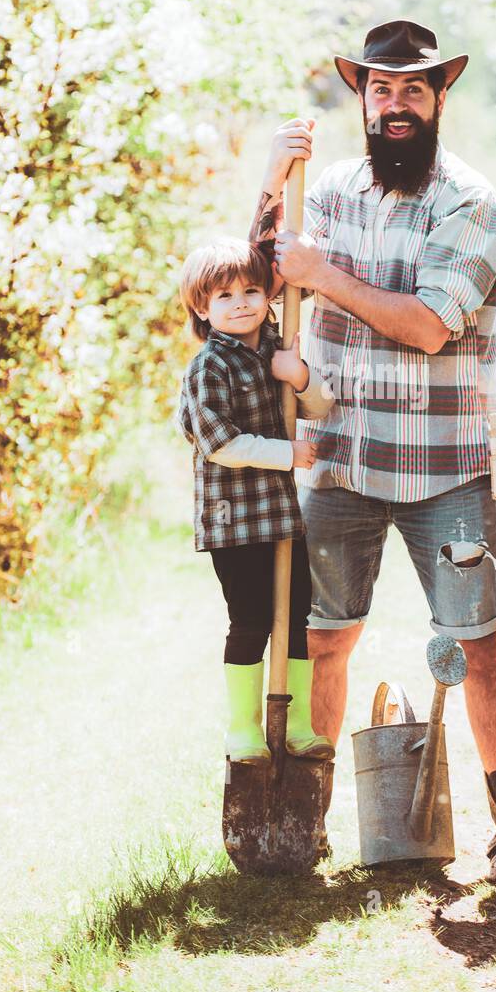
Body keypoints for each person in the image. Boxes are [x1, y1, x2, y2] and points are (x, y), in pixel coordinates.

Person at [249, 20, 496, 888]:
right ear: (363, 99)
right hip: (338, 459)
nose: (396, 102)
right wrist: (271, 180)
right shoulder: (326, 189)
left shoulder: (471, 202)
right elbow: (255, 281)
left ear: (439, 97)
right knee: (321, 642)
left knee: (475, 645)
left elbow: (422, 326)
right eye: (381, 88)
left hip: (444, 466)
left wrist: (323, 276)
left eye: (414, 87)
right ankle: (303, 824)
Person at [177, 237, 335, 766]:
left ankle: (296, 723)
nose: (241, 303)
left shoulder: (274, 348)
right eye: (224, 297)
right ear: (202, 309)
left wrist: (302, 377)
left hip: (281, 516)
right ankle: (242, 728)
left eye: (251, 290)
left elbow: (319, 405)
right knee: (250, 619)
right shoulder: (207, 368)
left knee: (295, 618)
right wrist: (285, 453)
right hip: (234, 519)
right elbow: (219, 443)